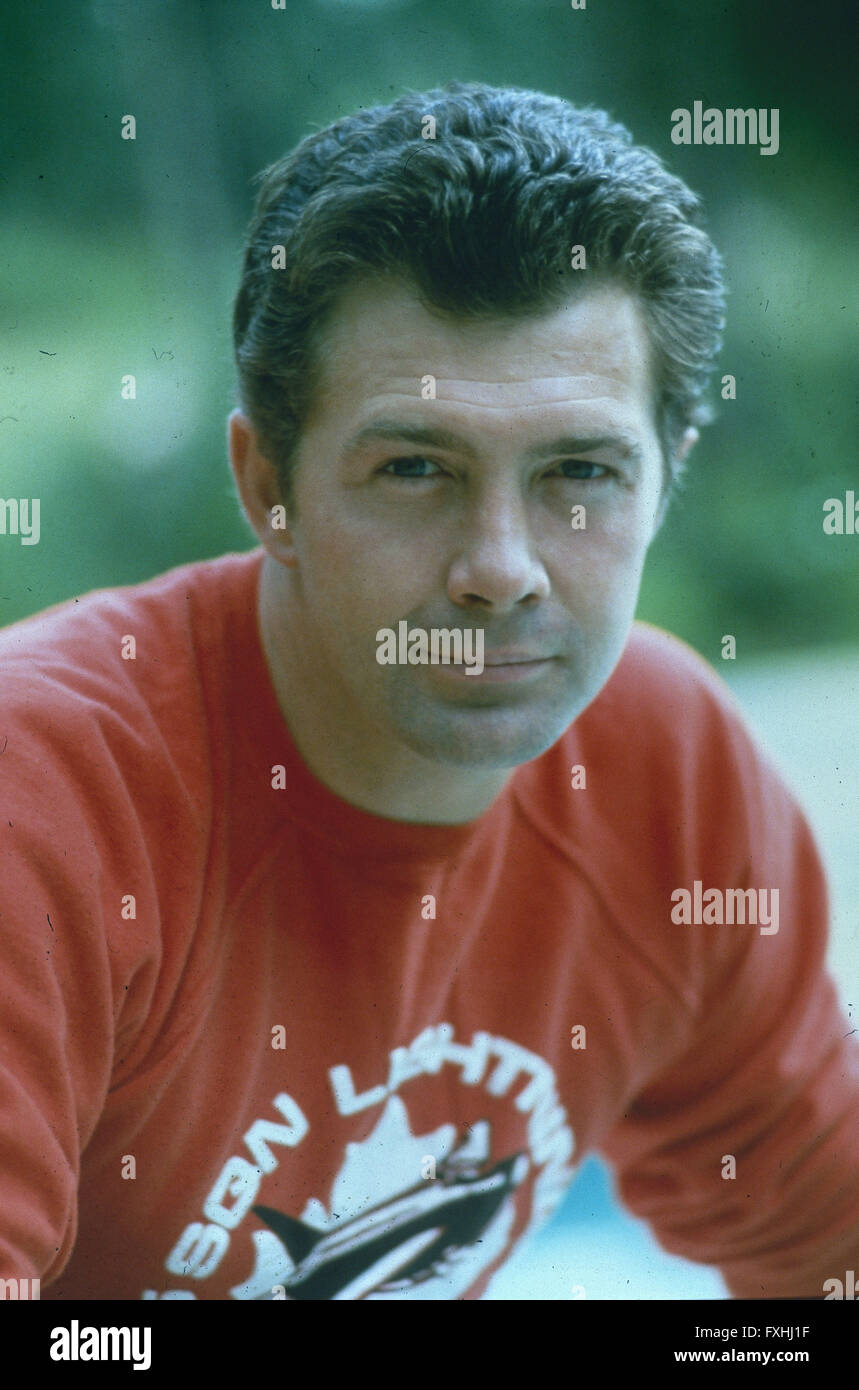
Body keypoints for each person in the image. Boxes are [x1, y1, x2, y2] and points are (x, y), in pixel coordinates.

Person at [1, 81, 856, 1302]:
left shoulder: (664, 766)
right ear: (266, 488)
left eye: (579, 470)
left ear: (669, 479)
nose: (499, 568)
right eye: (413, 467)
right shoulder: (43, 801)